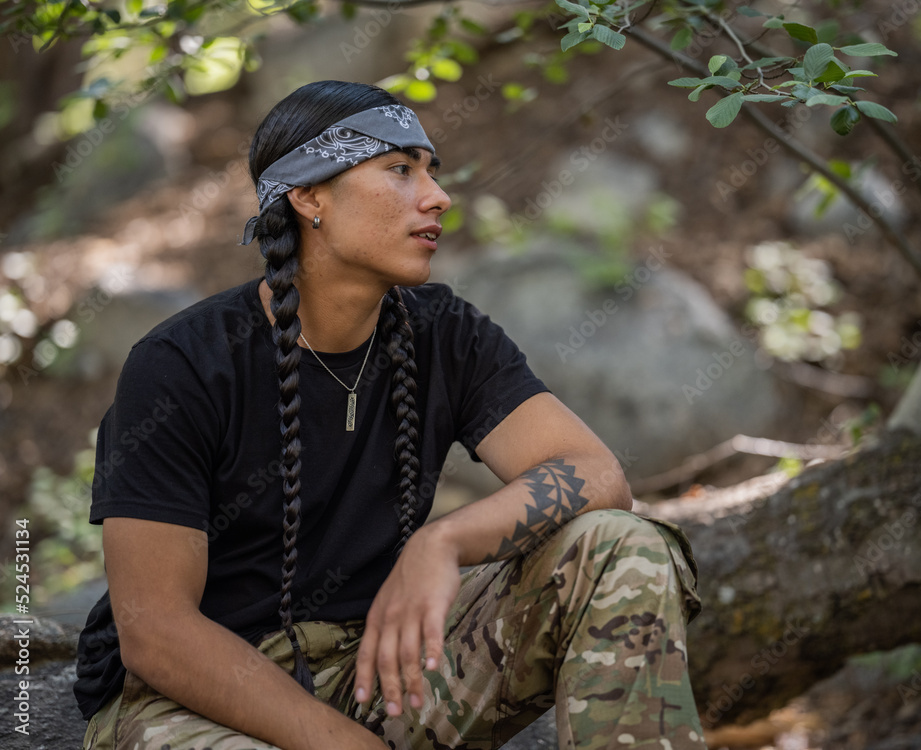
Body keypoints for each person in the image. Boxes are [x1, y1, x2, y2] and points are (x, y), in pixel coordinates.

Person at [74, 79, 706, 750]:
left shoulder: (446, 334)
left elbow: (598, 475)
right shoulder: (184, 364)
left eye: (431, 171)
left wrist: (441, 543)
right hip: (199, 698)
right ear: (309, 196)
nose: (438, 197)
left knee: (618, 545)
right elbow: (156, 631)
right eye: (400, 170)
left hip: (382, 665)